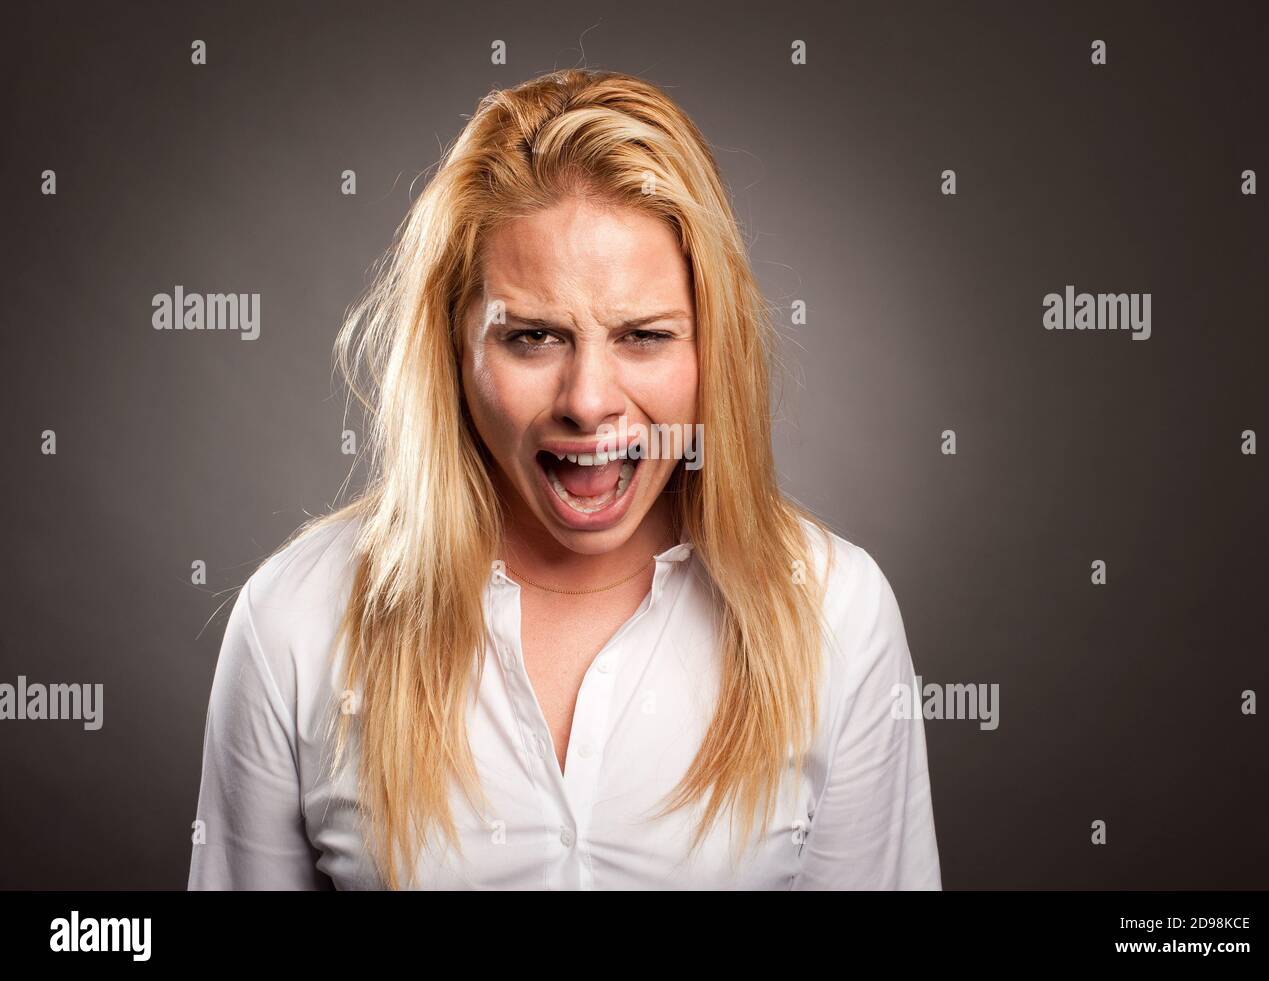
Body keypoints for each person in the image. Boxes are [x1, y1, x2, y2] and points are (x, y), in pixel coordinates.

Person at [187, 68, 942, 890]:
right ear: (454, 348)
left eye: (644, 336)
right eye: (534, 337)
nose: (588, 402)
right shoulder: (294, 624)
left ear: (712, 348)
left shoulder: (837, 613)